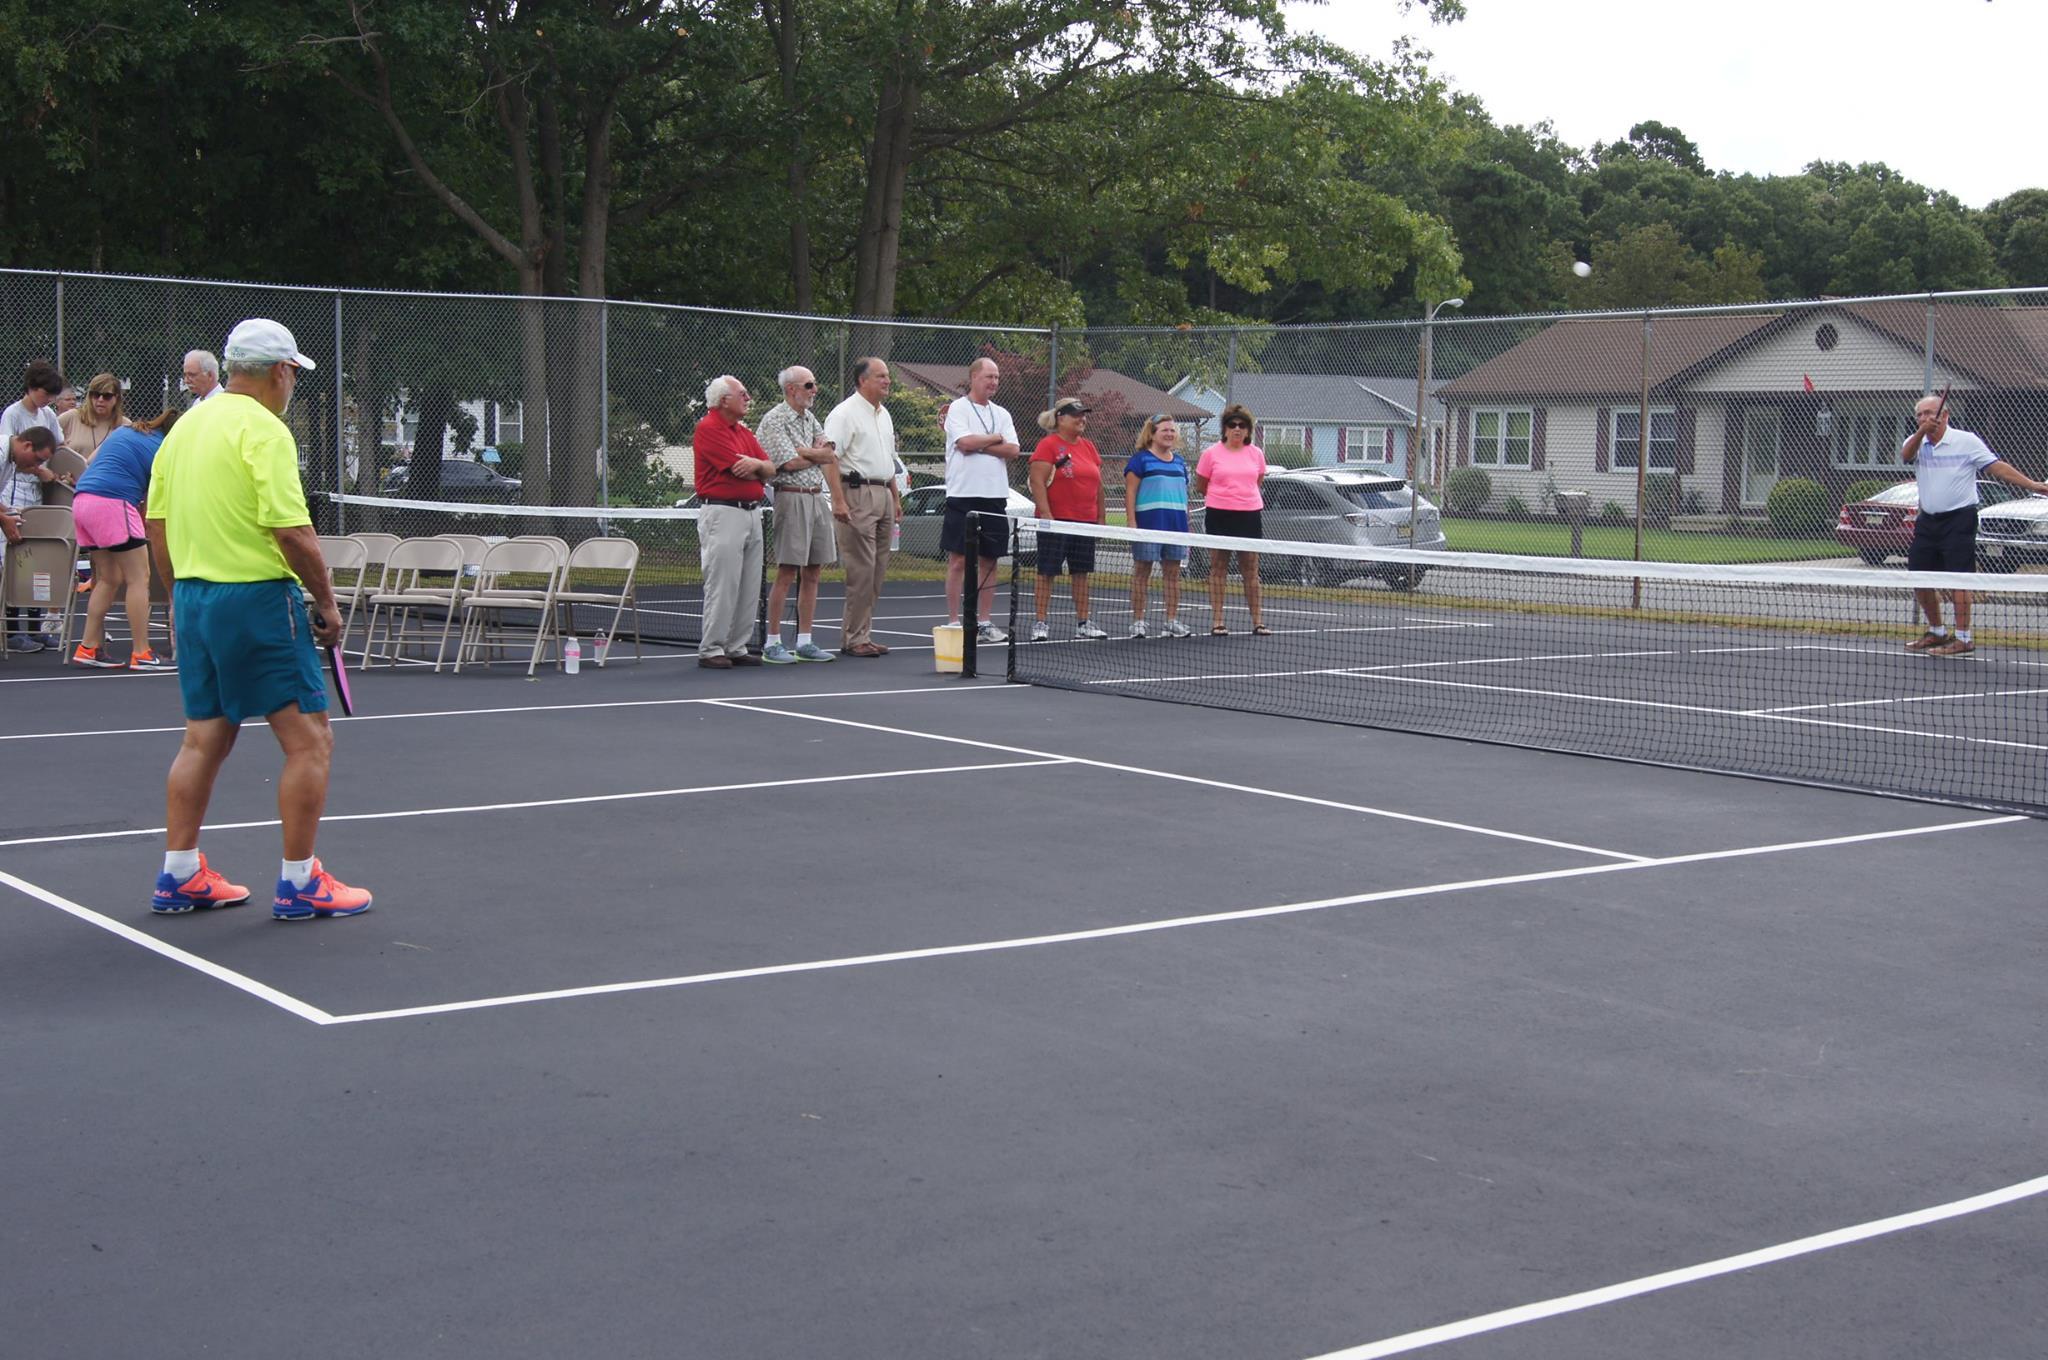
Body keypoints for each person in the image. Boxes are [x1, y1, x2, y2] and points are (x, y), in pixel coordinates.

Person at [145, 318, 371, 921]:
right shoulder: (265, 431)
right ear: (279, 372)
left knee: (204, 737)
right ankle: (301, 883)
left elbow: (156, 524)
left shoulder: (185, 428)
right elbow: (292, 531)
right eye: (293, 373)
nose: (292, 383)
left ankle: (180, 874)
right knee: (310, 740)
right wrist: (326, 604)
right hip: (255, 600)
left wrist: (176, 599)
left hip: (194, 599)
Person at [1898, 392, 2048, 656]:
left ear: (1944, 415)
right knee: (1919, 577)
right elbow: (1905, 456)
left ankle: (1964, 638)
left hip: (1959, 519)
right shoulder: (1916, 442)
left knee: (1959, 579)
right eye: (1919, 415)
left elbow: (1997, 467)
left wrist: (2033, 485)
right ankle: (1937, 632)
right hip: (1927, 521)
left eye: (1929, 413)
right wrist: (1922, 432)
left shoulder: (1966, 442)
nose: (1923, 418)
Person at [70, 409, 178, 669]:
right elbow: (154, 502)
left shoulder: (128, 431)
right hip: (112, 503)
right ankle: (141, 652)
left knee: (109, 578)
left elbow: (90, 460)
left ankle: (88, 646)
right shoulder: (164, 448)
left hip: (82, 501)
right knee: (139, 577)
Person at [755, 366, 841, 664]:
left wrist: (808, 452)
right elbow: (787, 463)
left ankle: (805, 641)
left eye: (813, 384)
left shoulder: (809, 418)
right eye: (809, 385)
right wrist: (809, 454)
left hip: (817, 497)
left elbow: (830, 451)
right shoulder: (775, 419)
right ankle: (773, 642)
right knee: (788, 571)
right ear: (791, 389)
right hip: (790, 499)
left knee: (814, 571)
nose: (814, 390)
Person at [691, 374, 774, 669]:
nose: (748, 399)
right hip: (723, 512)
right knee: (723, 582)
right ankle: (712, 647)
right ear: (724, 399)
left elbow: (768, 467)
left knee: (749, 583)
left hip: (752, 512)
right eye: (743, 394)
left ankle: (736, 645)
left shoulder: (743, 432)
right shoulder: (709, 428)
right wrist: (758, 468)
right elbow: (738, 468)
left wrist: (759, 466)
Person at [821, 357, 902, 658]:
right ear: (862, 380)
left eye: (887, 376)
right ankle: (854, 638)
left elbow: (889, 461)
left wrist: (895, 497)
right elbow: (830, 458)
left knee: (878, 569)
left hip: (882, 493)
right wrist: (838, 500)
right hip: (856, 492)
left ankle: (862, 633)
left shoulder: (885, 415)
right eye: (880, 376)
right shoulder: (844, 414)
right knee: (861, 569)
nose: (887, 381)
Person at [941, 357, 1021, 642]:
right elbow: (964, 444)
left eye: (997, 377)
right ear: (974, 377)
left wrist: (983, 443)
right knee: (959, 560)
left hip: (995, 497)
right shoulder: (957, 410)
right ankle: (954, 622)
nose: (993, 382)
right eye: (988, 376)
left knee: (990, 560)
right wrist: (994, 439)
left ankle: (984, 623)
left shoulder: (1002, 414)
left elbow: (1012, 450)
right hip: (963, 495)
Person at [1026, 397, 1107, 641]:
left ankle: (1083, 622)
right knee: (1047, 572)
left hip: (1085, 521)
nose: (1082, 419)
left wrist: (1101, 517)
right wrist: (1047, 514)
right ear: (1061, 418)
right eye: (1076, 415)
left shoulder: (1089, 447)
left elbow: (1098, 485)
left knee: (1081, 572)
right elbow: (1037, 481)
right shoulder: (1048, 445)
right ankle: (1040, 623)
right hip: (1056, 520)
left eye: (1084, 415)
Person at [1193, 403, 1271, 636]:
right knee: (1218, 567)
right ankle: (1218, 621)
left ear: (1248, 430)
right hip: (1219, 515)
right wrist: (1223, 498)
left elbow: (1257, 481)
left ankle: (1258, 621)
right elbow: (1201, 485)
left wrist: (1242, 499)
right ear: (1225, 429)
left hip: (1249, 515)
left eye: (1242, 425)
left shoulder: (1256, 454)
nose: (1237, 429)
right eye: (1232, 425)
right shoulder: (1211, 454)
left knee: (1250, 569)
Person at [1123, 413, 1193, 638]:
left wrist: (1186, 523)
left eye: (1173, 430)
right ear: (1152, 433)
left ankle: (1171, 620)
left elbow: (1184, 495)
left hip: (1176, 527)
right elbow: (1131, 492)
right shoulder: (1141, 460)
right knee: (1142, 572)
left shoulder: (1180, 462)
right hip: (1148, 525)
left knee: (1172, 575)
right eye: (1165, 430)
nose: (1170, 434)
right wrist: (1132, 523)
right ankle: (1138, 622)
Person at [2, 426, 68, 652]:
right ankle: (10, 634)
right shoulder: (2, 452)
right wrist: (4, 518)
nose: (36, 467)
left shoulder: (11, 460)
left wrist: (7, 513)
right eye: (37, 459)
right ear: (27, 445)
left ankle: (29, 630)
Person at [60, 373, 125, 461]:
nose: (100, 400)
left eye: (107, 396)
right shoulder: (71, 417)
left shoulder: (125, 426)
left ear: (116, 398)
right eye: (96, 395)